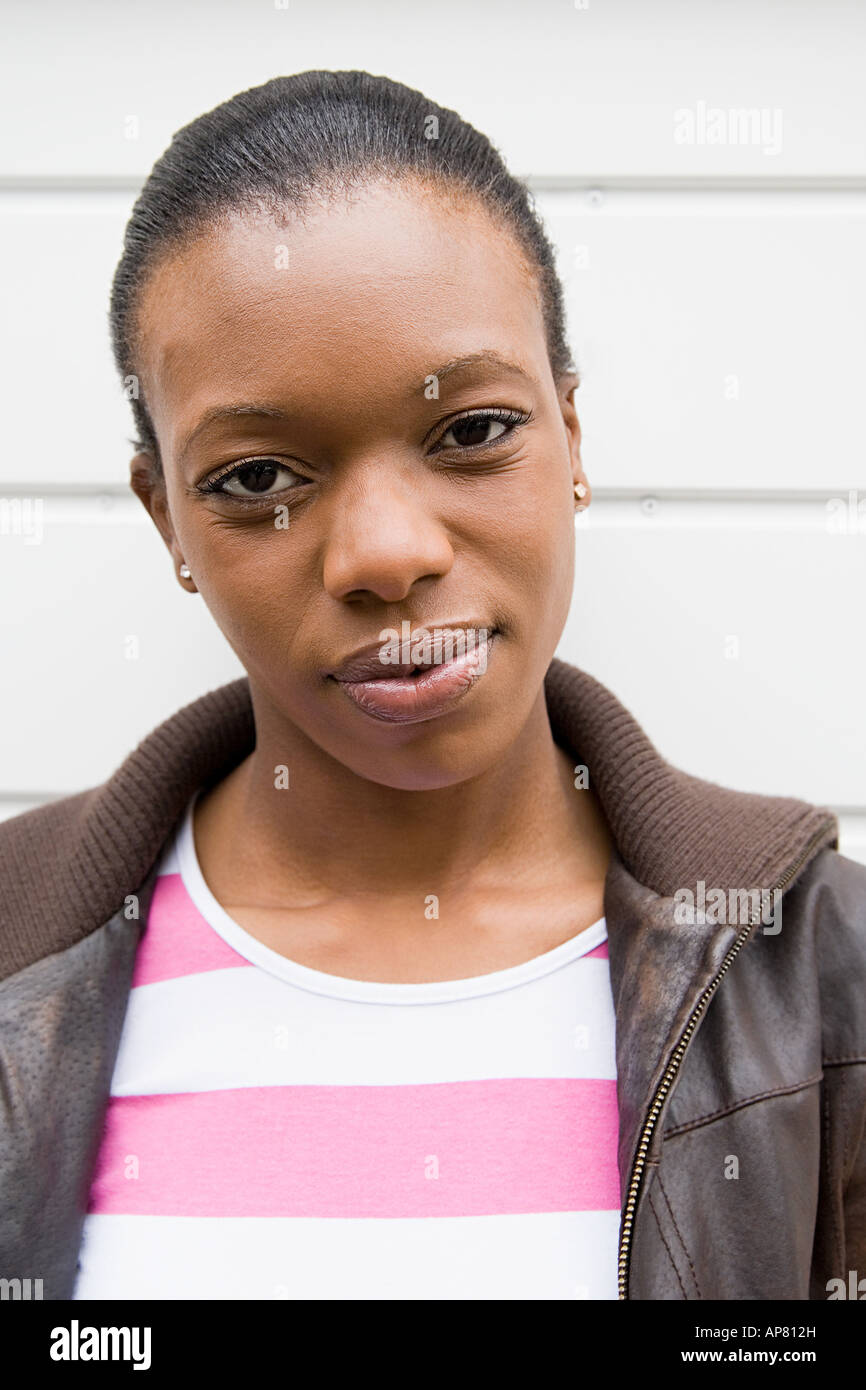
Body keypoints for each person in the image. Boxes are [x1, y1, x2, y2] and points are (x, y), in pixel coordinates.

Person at [0, 70, 863, 1302]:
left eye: (469, 432)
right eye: (255, 477)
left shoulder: (826, 971)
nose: (384, 552)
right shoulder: (14, 948)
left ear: (571, 434)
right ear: (168, 523)